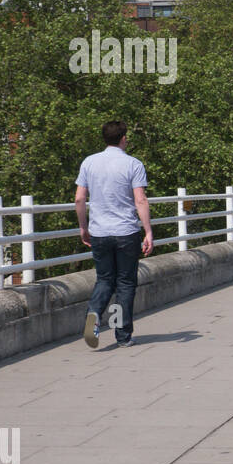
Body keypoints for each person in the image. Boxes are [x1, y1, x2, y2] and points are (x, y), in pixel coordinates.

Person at [74, 119, 154, 349]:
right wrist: (147, 231)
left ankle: (94, 314)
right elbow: (140, 199)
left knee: (105, 279)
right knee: (126, 283)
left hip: (99, 232)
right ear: (123, 139)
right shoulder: (133, 164)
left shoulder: (89, 163)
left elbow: (80, 198)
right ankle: (122, 335)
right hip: (126, 232)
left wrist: (83, 227)